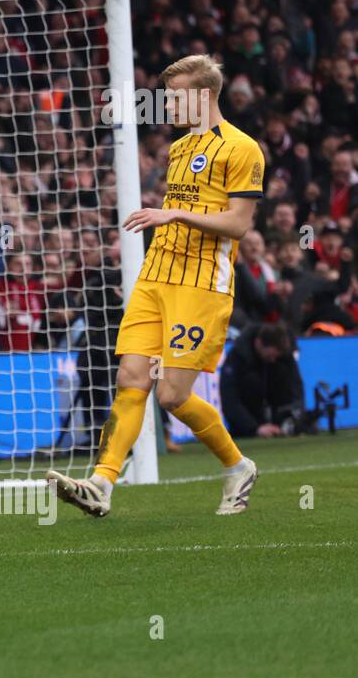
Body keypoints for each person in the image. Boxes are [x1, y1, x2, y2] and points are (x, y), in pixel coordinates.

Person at [49, 55, 265, 517]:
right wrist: (167, 217)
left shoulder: (243, 149)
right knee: (131, 380)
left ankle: (238, 466)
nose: (166, 105)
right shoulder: (181, 147)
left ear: (204, 96)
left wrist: (173, 213)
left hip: (202, 283)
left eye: (174, 96)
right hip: (155, 274)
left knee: (170, 395)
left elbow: (238, 224)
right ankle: (101, 484)